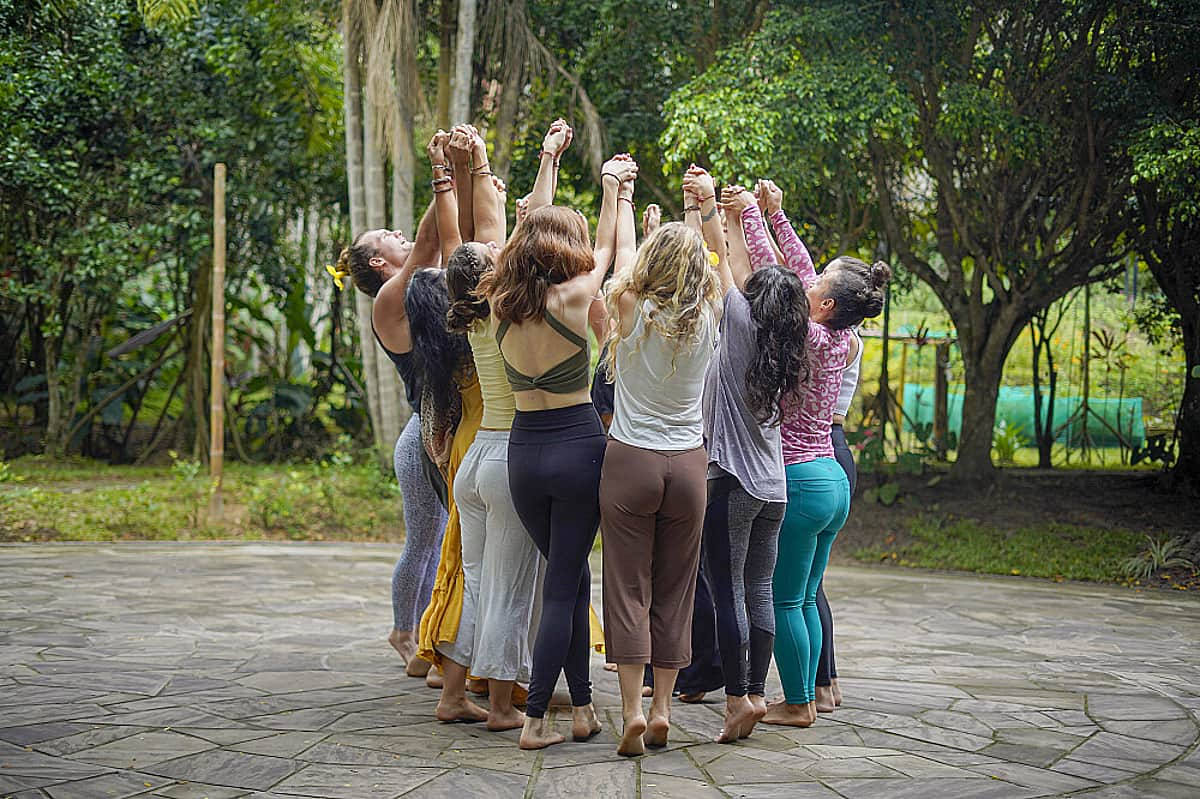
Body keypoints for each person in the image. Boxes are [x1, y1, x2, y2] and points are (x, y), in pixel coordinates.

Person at [481, 138, 636, 750]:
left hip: (523, 452)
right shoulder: (575, 299)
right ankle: (539, 717)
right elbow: (603, 251)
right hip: (577, 448)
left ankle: (584, 710)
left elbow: (514, 235)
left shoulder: (497, 304)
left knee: (568, 579)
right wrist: (609, 191)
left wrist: (546, 167)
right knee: (563, 582)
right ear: (558, 252)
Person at [741, 179, 890, 727]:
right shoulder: (847, 338)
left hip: (800, 482)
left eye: (818, 285)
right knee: (804, 596)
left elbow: (777, 272)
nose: (807, 285)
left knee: (786, 600)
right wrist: (777, 214)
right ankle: (805, 695)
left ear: (825, 304)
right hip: (833, 480)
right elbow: (805, 272)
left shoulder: (808, 334)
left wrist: (752, 217)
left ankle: (799, 703)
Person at [599, 164, 727, 756]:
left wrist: (620, 195)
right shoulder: (711, 315)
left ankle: (628, 710)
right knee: (676, 589)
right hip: (688, 466)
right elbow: (718, 267)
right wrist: (701, 210)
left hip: (631, 461)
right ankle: (661, 709)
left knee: (628, 586)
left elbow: (623, 262)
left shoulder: (628, 307)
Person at [693, 184, 813, 743]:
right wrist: (742, 213)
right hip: (774, 487)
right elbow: (738, 262)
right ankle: (758, 692)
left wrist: (712, 206)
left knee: (728, 592)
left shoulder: (738, 324)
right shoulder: (795, 343)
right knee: (760, 590)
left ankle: (738, 698)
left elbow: (721, 256)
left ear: (753, 300)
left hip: (733, 484)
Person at [440, 124, 543, 732]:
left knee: (477, 584)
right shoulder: (511, 315)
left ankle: (454, 694)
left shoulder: (472, 318)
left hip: (475, 461)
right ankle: (502, 706)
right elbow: (506, 246)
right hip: (507, 460)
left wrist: (477, 169)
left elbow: (490, 246)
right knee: (507, 589)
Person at [338, 195, 448, 680]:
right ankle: (403, 632)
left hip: (432, 430)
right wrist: (443, 179)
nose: (398, 234)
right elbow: (427, 241)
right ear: (380, 262)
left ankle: (425, 633)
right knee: (422, 540)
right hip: (419, 440)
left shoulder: (424, 282)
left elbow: (448, 240)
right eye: (388, 236)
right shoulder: (390, 298)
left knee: (438, 538)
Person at [411, 130, 489, 722]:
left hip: (466, 444)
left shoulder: (448, 326)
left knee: (464, 555)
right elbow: (471, 242)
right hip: (500, 441)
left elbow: (463, 246)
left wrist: (447, 171)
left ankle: (448, 660)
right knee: (493, 564)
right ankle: (483, 673)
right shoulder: (498, 318)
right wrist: (469, 167)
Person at [816, 324, 862, 713]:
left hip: (822, 448)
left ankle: (819, 685)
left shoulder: (832, 341)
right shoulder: (846, 337)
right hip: (838, 450)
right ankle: (827, 681)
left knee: (803, 588)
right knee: (813, 584)